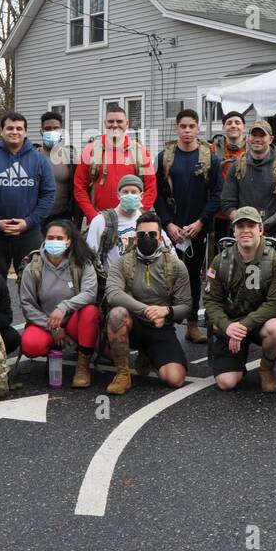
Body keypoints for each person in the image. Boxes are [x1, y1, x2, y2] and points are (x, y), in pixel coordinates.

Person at [204, 207, 276, 392]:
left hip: (260, 322)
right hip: (230, 322)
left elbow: (275, 303)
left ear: (260, 229)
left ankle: (266, 368)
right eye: (240, 226)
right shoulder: (219, 261)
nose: (245, 230)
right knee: (226, 383)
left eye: (251, 226)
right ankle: (232, 359)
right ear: (234, 231)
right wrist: (227, 326)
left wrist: (244, 326)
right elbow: (211, 301)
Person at [103, 211, 192, 394]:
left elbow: (186, 307)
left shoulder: (176, 266)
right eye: (141, 234)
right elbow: (113, 294)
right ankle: (122, 374)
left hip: (160, 326)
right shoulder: (122, 262)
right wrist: (147, 310)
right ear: (135, 238)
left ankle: (148, 355)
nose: (146, 238)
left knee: (175, 379)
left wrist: (166, 312)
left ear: (161, 238)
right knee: (116, 314)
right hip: (133, 324)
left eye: (152, 234)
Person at [155, 109, 222, 343]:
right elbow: (157, 194)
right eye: (183, 126)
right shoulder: (164, 157)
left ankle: (192, 325)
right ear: (177, 128)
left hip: (197, 229)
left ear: (198, 129)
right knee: (166, 277)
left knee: (194, 277)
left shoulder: (210, 159)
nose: (187, 131)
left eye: (191, 126)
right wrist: (167, 223)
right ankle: (163, 326)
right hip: (171, 230)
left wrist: (201, 221)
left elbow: (217, 195)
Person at [18, 220, 101, 388]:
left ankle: (83, 365)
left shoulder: (82, 262)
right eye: (50, 238)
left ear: (68, 241)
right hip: (46, 322)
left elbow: (90, 293)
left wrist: (63, 307)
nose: (54, 242)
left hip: (73, 320)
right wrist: (52, 327)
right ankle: (52, 350)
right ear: (44, 239)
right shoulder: (32, 267)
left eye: (59, 238)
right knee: (30, 345)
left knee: (90, 311)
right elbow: (27, 304)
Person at [0, 112, 56, 274]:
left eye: (19, 128)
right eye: (10, 128)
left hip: (29, 233)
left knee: (32, 280)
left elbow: (49, 195)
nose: (14, 132)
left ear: (25, 132)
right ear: (1, 131)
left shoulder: (40, 161)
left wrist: (29, 222)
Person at [73, 104, 156, 222]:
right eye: (111, 121)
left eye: (119, 121)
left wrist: (139, 214)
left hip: (132, 220)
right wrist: (93, 216)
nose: (115, 125)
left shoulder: (140, 152)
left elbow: (151, 187)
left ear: (127, 123)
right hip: (100, 218)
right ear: (105, 123)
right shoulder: (90, 150)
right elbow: (79, 187)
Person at [220, 119, 276, 244]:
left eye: (262, 135)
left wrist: (264, 225)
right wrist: (245, 224)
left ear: (270, 139)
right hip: (243, 235)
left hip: (273, 236)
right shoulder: (236, 166)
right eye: (254, 135)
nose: (257, 139)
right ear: (249, 138)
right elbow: (226, 203)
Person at [86, 174, 163, 270]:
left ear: (141, 195)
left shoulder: (149, 221)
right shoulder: (101, 221)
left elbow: (167, 248)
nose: (129, 195)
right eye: (125, 192)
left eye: (134, 192)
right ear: (118, 195)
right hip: (111, 278)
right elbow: (88, 257)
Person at [208, 111, 249, 254]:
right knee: (221, 254)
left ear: (243, 126)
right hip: (219, 213)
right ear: (223, 127)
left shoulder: (252, 148)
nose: (233, 126)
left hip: (245, 209)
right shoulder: (213, 149)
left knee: (245, 252)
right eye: (229, 123)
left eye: (237, 123)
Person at [35, 111, 79, 227]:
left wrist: (77, 221)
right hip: (36, 217)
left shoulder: (70, 158)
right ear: (41, 131)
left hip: (63, 216)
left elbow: (78, 191)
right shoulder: (32, 157)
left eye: (56, 128)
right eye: (47, 129)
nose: (52, 132)